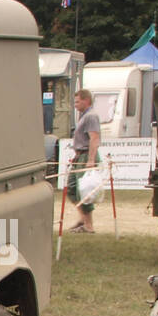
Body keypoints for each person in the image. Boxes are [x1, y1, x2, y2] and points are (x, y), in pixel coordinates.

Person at [67, 88, 102, 233]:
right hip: (79, 156)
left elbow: (94, 138)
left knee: (84, 191)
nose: (75, 104)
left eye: (77, 101)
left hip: (87, 156)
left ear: (86, 100)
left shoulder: (91, 116)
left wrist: (90, 160)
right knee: (71, 189)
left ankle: (89, 225)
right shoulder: (83, 116)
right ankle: (82, 219)